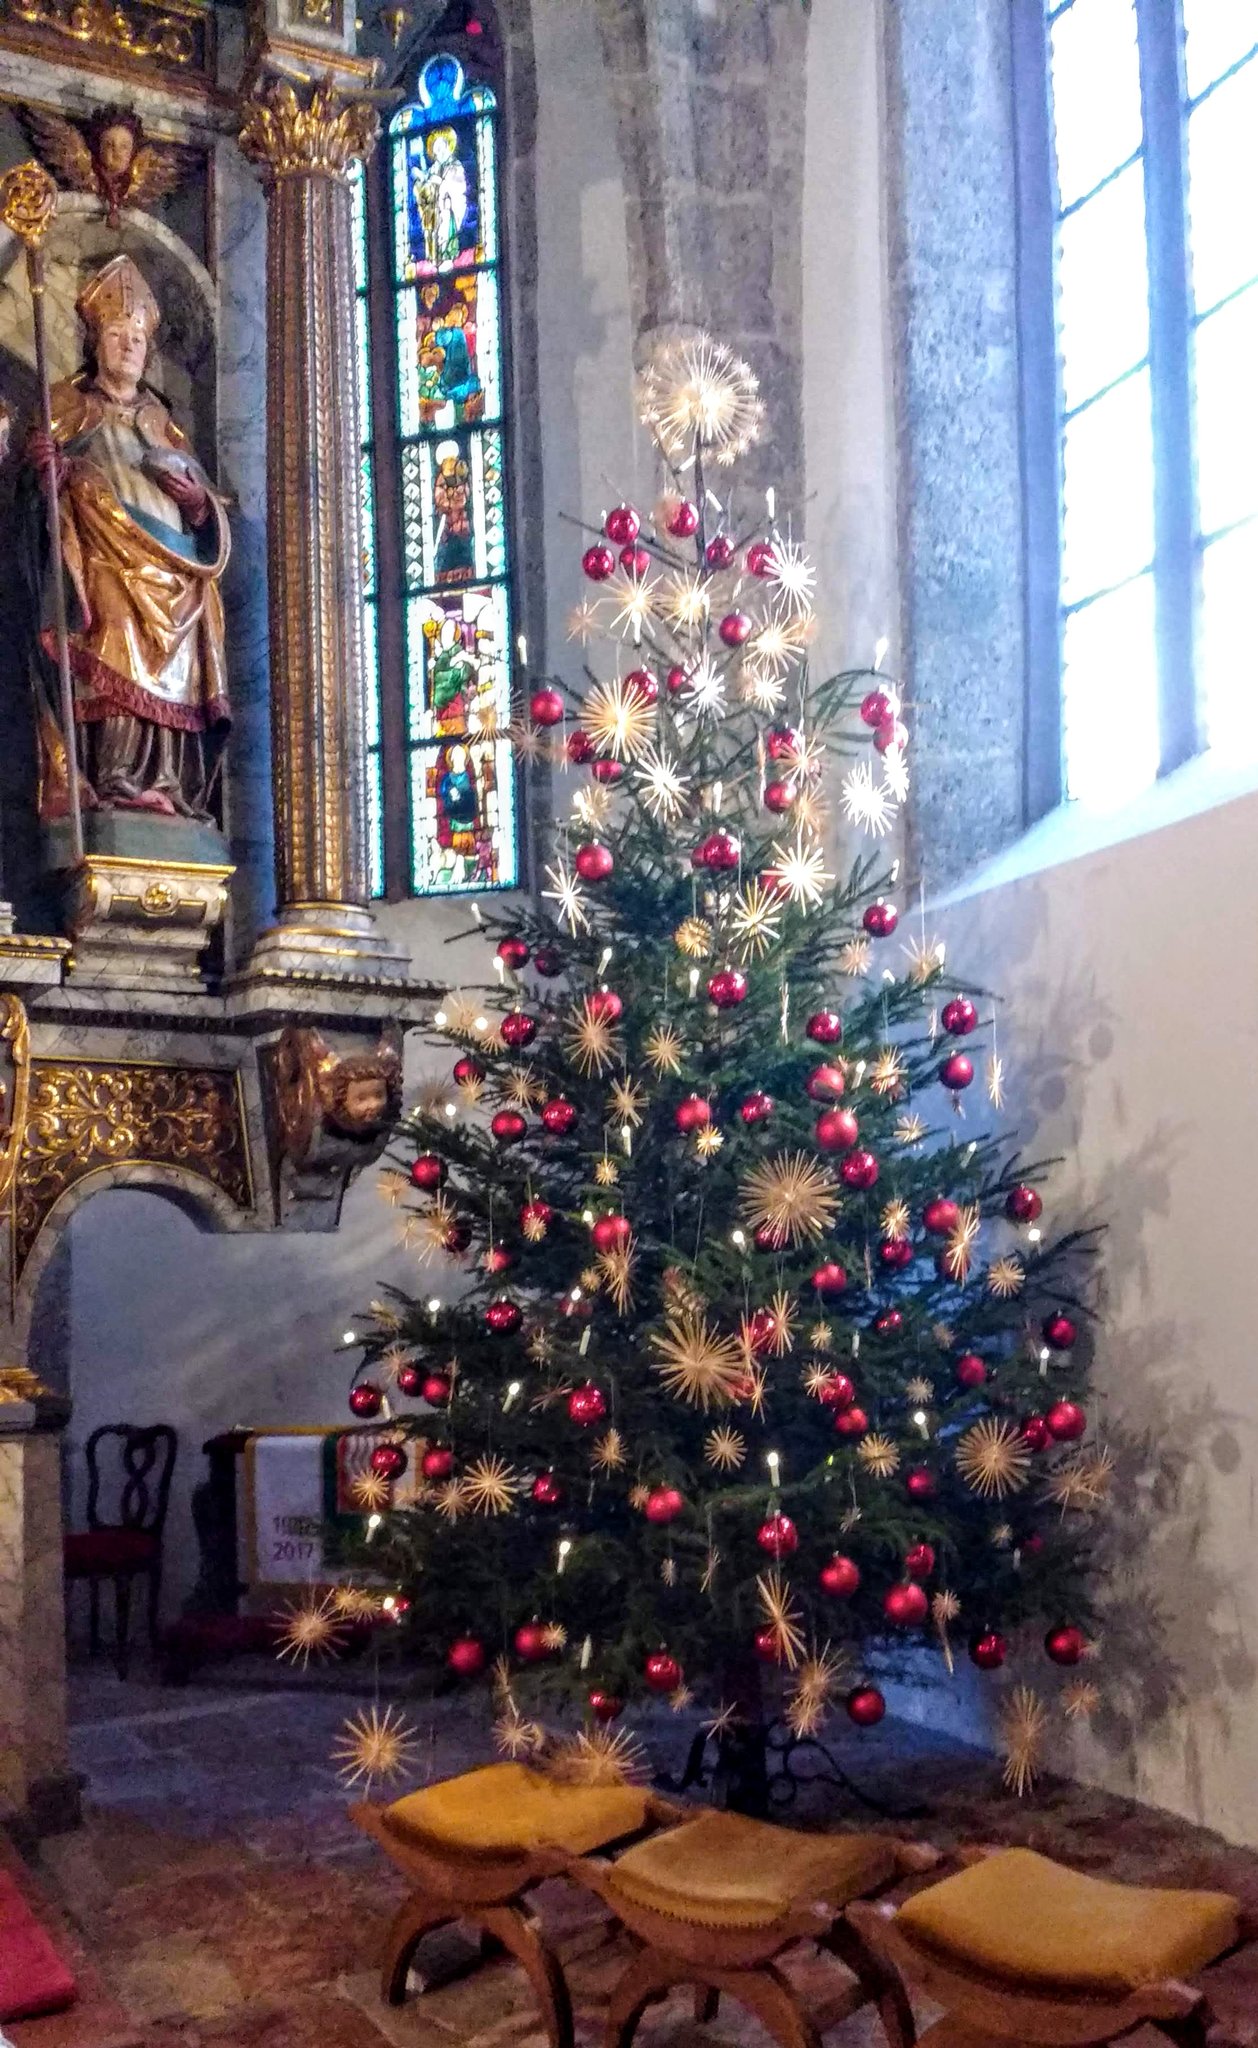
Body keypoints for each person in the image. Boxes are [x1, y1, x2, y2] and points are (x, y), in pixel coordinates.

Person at [22, 254, 230, 821]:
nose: (129, 347)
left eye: (137, 338)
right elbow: (30, 492)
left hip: (174, 570)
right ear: (97, 343)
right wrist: (45, 472)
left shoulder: (165, 422)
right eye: (117, 335)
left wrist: (195, 502)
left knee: (189, 634)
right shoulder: (68, 406)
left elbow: (208, 506)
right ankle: (113, 778)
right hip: (104, 562)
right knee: (110, 621)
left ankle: (168, 781)